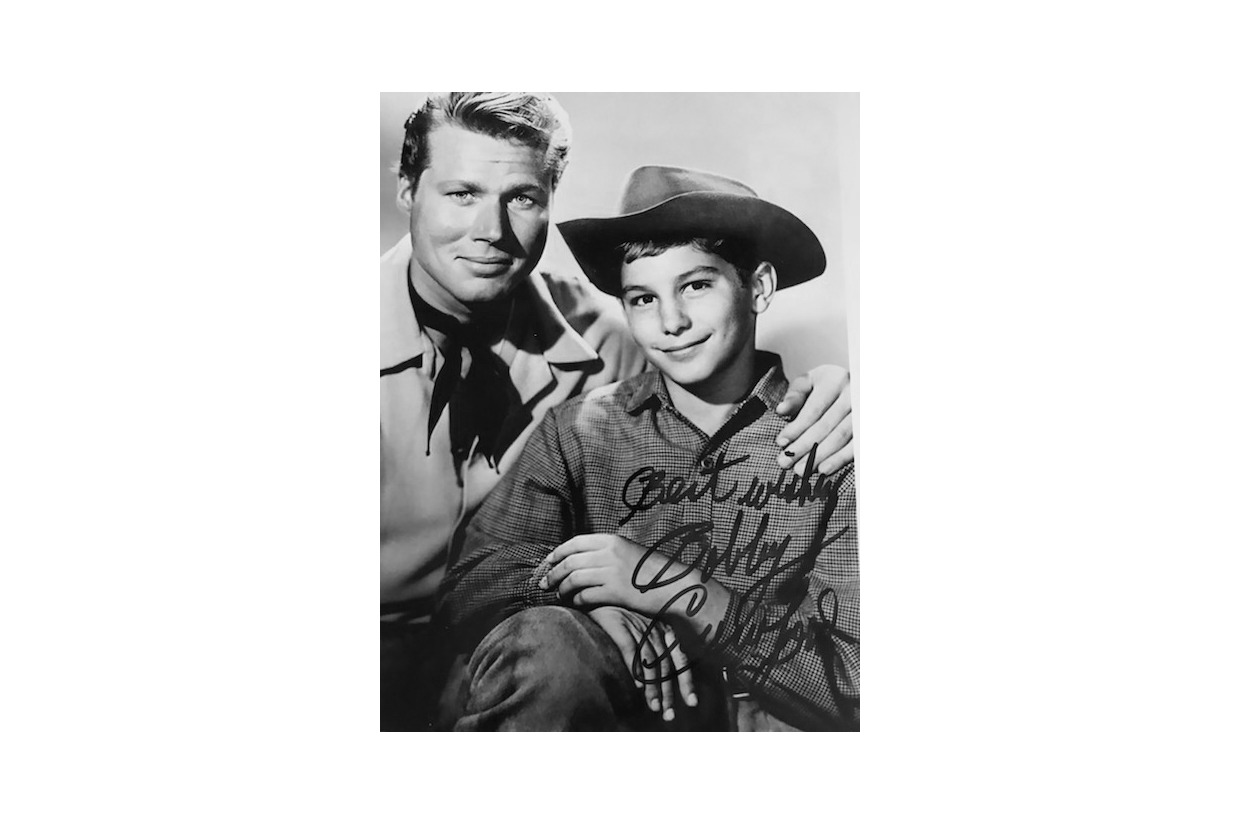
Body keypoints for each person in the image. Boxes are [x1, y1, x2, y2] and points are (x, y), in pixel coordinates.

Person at [381, 93, 855, 730]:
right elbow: (478, 579)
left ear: (760, 286)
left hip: (770, 717)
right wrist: (588, 598)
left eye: (697, 286)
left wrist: (666, 585)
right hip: (423, 673)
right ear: (408, 190)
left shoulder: (824, 436)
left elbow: (855, 677)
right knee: (549, 646)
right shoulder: (584, 428)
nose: (670, 321)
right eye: (461, 193)